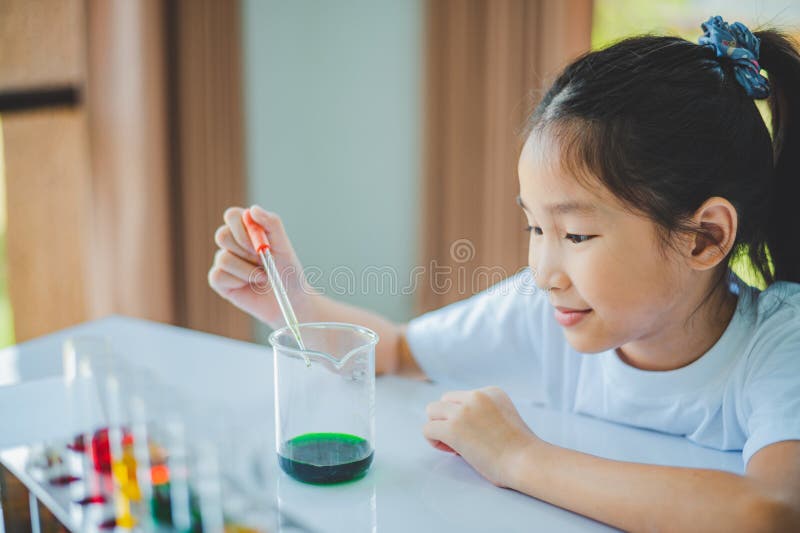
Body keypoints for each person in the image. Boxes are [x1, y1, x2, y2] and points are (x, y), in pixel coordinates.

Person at [209, 16, 800, 531]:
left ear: (704, 237)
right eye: (535, 229)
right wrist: (289, 298)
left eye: (576, 235)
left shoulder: (781, 344)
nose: (543, 273)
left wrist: (519, 458)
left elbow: (773, 511)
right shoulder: (544, 311)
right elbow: (396, 352)